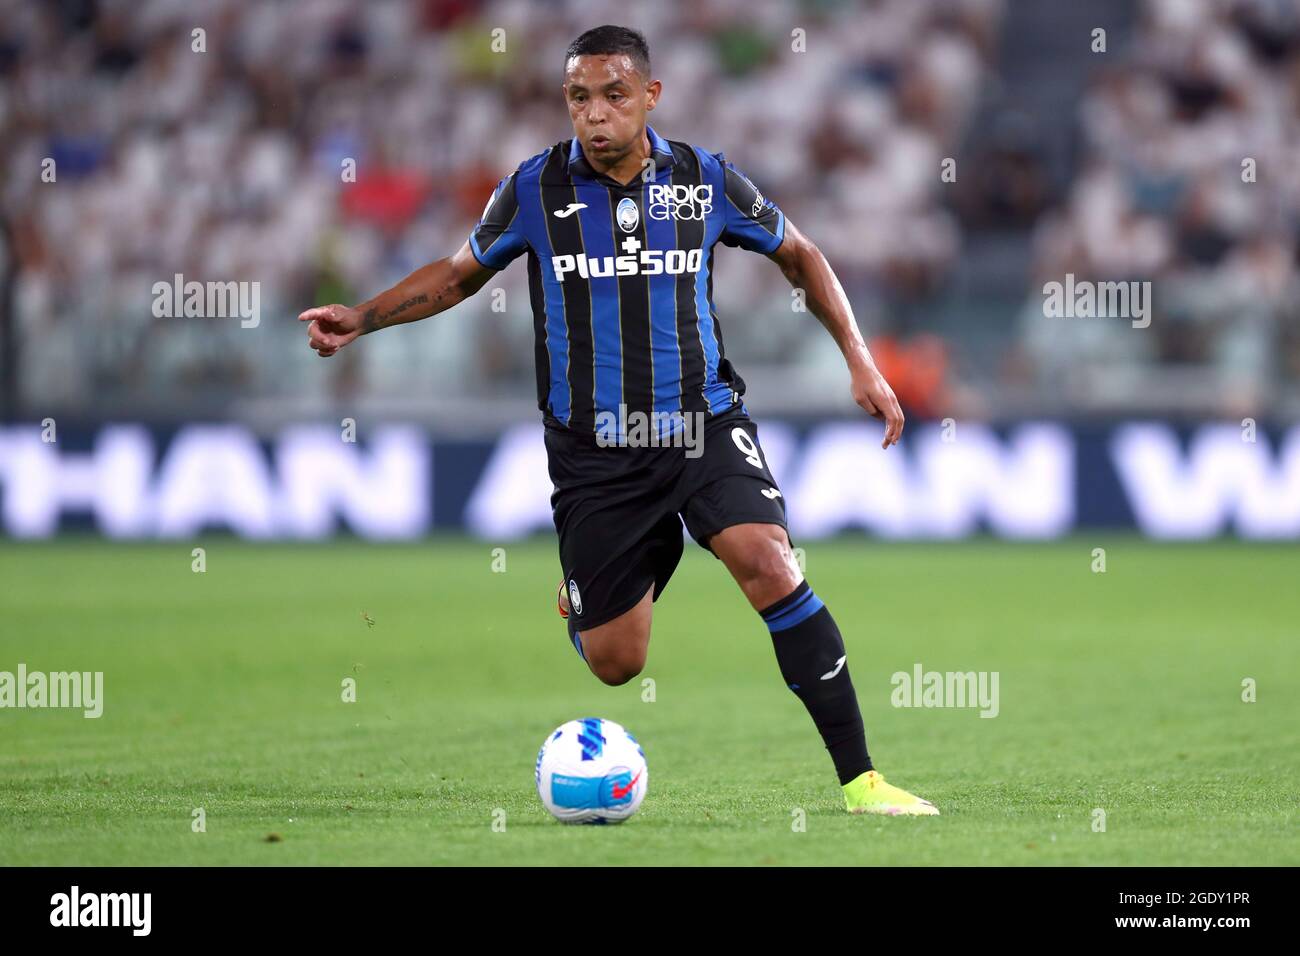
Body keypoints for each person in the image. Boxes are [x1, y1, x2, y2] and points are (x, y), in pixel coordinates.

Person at [300, 25, 937, 816]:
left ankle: (862, 782)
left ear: (649, 97)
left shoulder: (704, 180)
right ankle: (594, 593)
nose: (594, 115)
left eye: (612, 95)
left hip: (700, 423)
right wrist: (364, 316)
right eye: (578, 98)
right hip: (594, 453)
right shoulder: (534, 189)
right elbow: (459, 275)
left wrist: (861, 360)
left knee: (772, 564)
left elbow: (800, 254)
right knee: (615, 662)